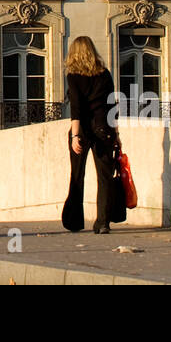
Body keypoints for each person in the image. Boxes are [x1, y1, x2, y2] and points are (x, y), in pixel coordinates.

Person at [63, 35, 120, 234]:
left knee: (77, 175)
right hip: (104, 128)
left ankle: (74, 220)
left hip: (84, 130)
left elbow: (77, 107)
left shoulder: (73, 75)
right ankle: (103, 222)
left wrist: (74, 136)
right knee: (104, 177)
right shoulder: (104, 74)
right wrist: (116, 133)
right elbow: (112, 104)